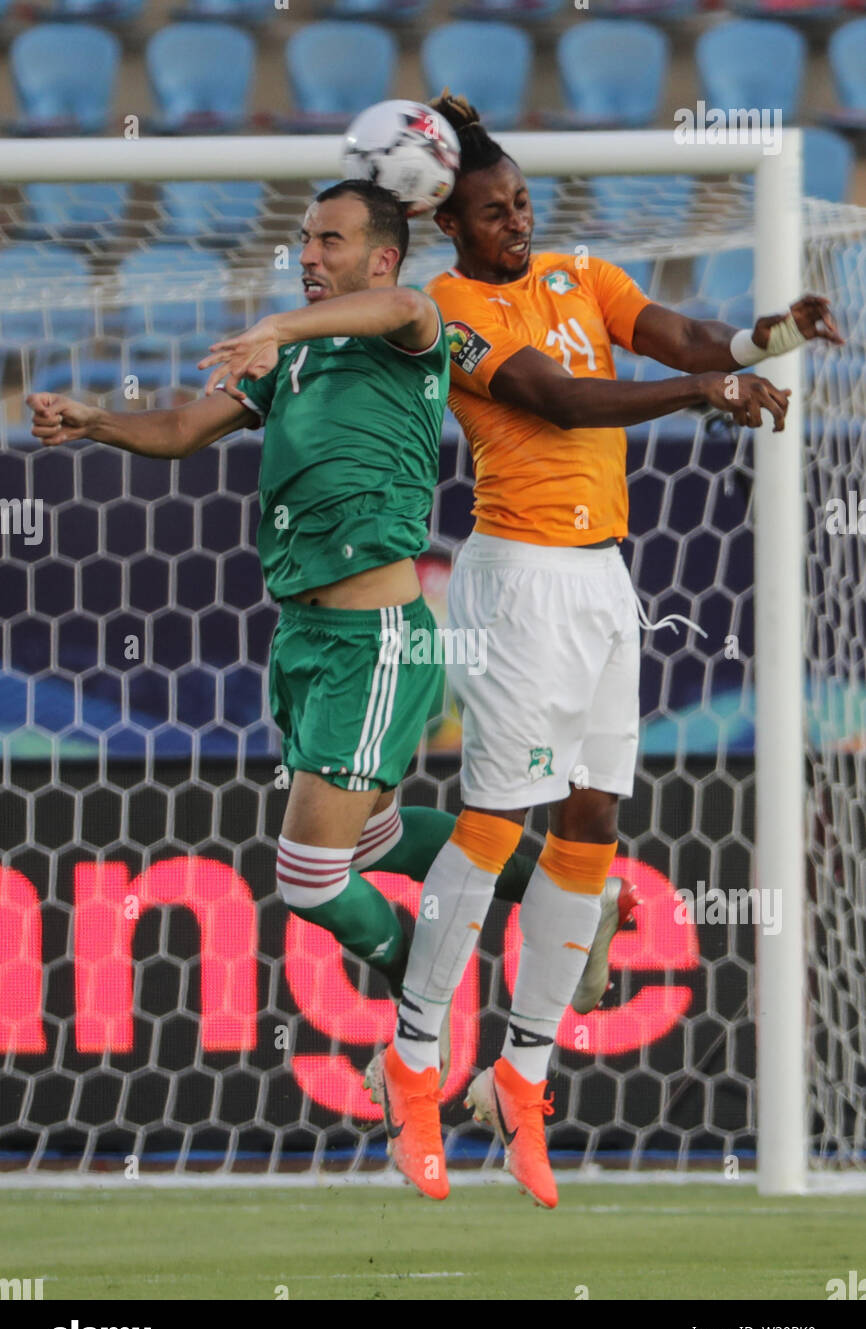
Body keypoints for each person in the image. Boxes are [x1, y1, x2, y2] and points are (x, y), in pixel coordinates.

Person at [361, 93, 844, 1207]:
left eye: (522, 202)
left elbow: (684, 337)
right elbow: (554, 398)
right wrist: (702, 394)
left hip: (601, 580)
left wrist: (765, 335)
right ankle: (415, 1061)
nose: (514, 222)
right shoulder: (442, 305)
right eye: (490, 211)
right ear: (450, 225)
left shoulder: (580, 275)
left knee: (590, 823)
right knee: (490, 826)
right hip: (516, 575)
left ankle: (519, 1080)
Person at [27, 179, 600, 1021]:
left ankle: (426, 1006)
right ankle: (580, 900)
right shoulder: (291, 356)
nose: (307, 256)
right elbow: (185, 430)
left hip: (373, 642)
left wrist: (275, 326)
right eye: (304, 241)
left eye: (329, 241)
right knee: (378, 840)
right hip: (304, 636)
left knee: (307, 877)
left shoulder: (410, 331)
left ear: (380, 254)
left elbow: (404, 307)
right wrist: (94, 421)